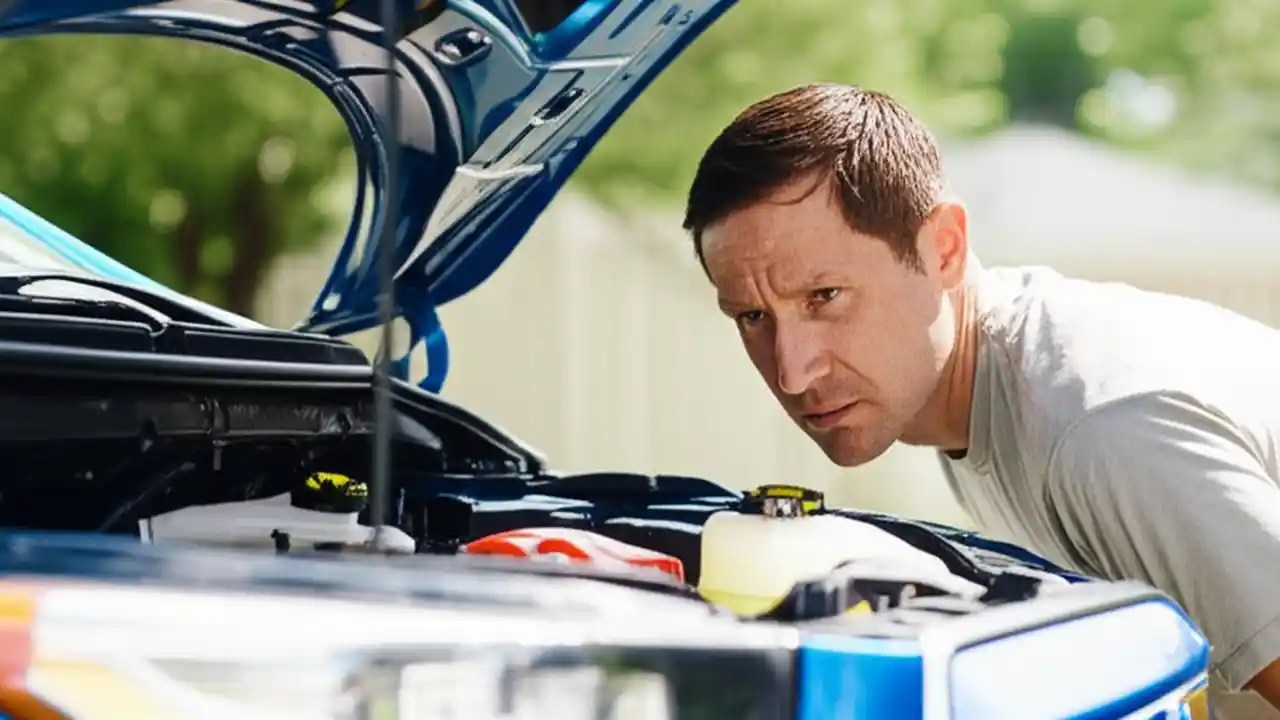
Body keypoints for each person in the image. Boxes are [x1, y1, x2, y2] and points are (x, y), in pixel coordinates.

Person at [682, 82, 1280, 718]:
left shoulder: (1103, 433)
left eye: (824, 296)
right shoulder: (972, 397)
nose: (793, 372)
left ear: (943, 248)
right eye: (752, 316)